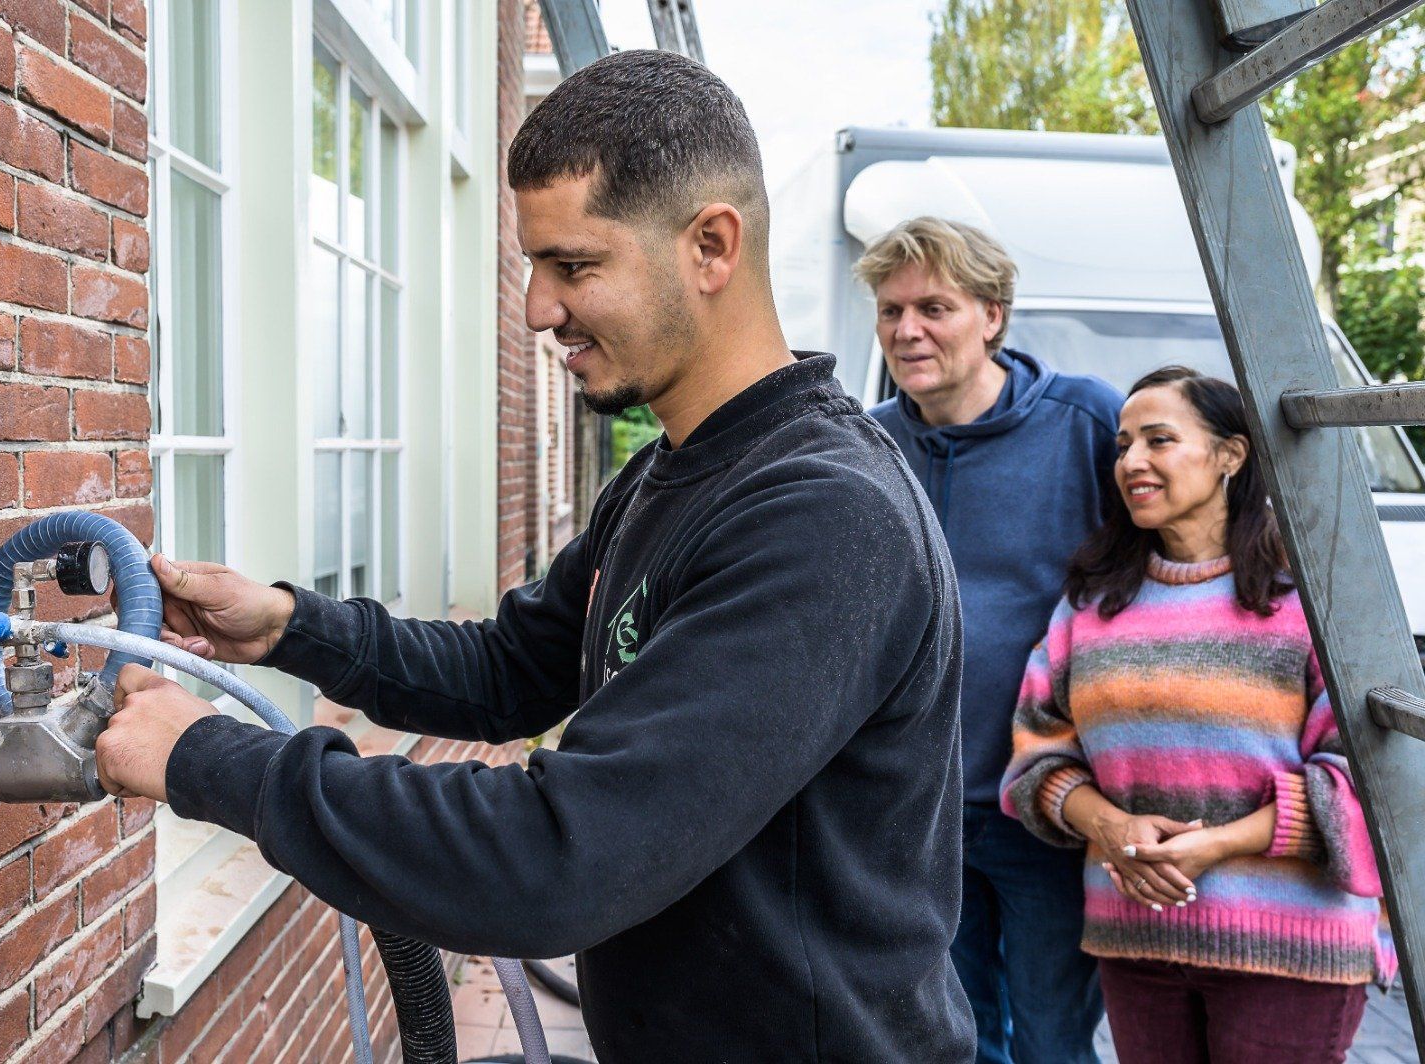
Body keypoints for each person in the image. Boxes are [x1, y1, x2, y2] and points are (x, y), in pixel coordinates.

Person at [95, 51, 975, 1063]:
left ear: (711, 245)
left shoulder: (824, 516)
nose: (535, 309)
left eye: (572, 265)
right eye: (532, 267)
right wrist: (291, 624)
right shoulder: (670, 477)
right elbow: (511, 669)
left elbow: (557, 856)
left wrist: (204, 755)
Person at [1002, 367, 1394, 1064]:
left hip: (1292, 947)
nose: (1132, 462)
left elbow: (1364, 774)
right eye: (1122, 446)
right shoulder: (1092, 607)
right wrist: (1111, 824)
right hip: (1136, 939)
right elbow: (1038, 758)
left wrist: (1218, 843)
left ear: (1230, 456)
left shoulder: (1308, 598)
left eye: (1158, 440)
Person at [859, 217, 1120, 1063]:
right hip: (918, 813)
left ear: (993, 316)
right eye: (891, 310)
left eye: (934, 307)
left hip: (1046, 808)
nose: (907, 330)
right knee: (954, 1039)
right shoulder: (867, 445)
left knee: (1052, 1039)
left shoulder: (1086, 423)